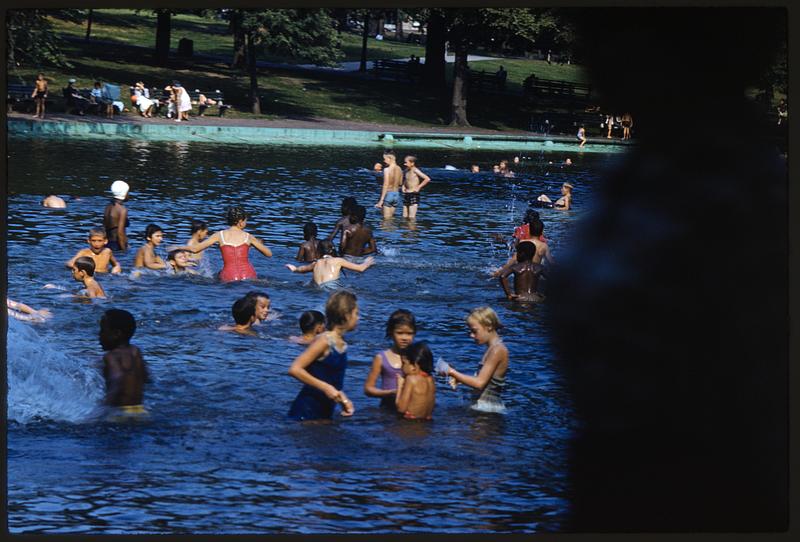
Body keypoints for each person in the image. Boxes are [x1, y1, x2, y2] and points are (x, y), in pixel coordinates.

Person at [287, 289, 358, 420]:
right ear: (346, 315)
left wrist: (343, 399)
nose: (358, 318)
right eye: (356, 313)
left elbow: (330, 379)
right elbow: (294, 369)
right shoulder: (324, 340)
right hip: (306, 409)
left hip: (325, 410)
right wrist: (326, 388)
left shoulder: (341, 343)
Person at [437, 307, 508, 411]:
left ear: (489, 326)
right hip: (484, 407)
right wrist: (460, 380)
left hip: (489, 410)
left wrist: (452, 372)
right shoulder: (492, 348)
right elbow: (486, 380)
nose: (471, 335)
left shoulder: (497, 350)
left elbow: (480, 383)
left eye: (474, 331)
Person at [176, 206, 273, 282]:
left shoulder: (219, 235)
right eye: (245, 221)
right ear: (240, 222)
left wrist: (178, 247)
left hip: (228, 275)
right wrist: (254, 245)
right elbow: (269, 254)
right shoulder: (248, 236)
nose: (246, 223)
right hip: (248, 274)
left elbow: (195, 249)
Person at [99, 309, 149, 419]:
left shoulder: (110, 356)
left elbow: (117, 378)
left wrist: (103, 407)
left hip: (119, 414)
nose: (99, 335)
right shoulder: (136, 351)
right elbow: (146, 377)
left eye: (102, 330)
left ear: (116, 334)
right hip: (140, 411)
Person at [364, 309, 416, 409]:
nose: (405, 338)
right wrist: (390, 392)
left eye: (409, 333)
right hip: (387, 408)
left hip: (411, 409)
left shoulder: (417, 357)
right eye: (400, 333)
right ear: (391, 333)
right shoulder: (381, 358)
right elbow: (368, 389)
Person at [286, 240, 375, 286]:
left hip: (318, 287)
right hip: (332, 286)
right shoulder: (338, 260)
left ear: (319, 252)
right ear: (332, 250)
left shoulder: (316, 263)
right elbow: (360, 268)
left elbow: (301, 269)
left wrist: (294, 269)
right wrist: (367, 262)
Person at [396, 341, 436, 420]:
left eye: (404, 363)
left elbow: (401, 408)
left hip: (409, 425)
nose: (401, 367)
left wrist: (400, 386)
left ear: (414, 366)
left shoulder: (411, 379)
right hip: (426, 425)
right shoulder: (431, 379)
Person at [374, 152, 403, 219]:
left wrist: (381, 200)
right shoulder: (399, 169)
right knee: (391, 218)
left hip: (388, 194)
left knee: (386, 220)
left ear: (390, 159)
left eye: (385, 159)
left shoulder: (387, 169)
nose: (384, 161)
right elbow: (400, 183)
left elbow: (386, 184)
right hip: (396, 194)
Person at [103, 180, 130, 251]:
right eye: (128, 192)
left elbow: (104, 227)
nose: (128, 194)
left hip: (107, 243)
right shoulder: (122, 210)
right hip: (117, 244)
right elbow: (120, 233)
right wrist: (124, 250)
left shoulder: (108, 207)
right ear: (123, 194)